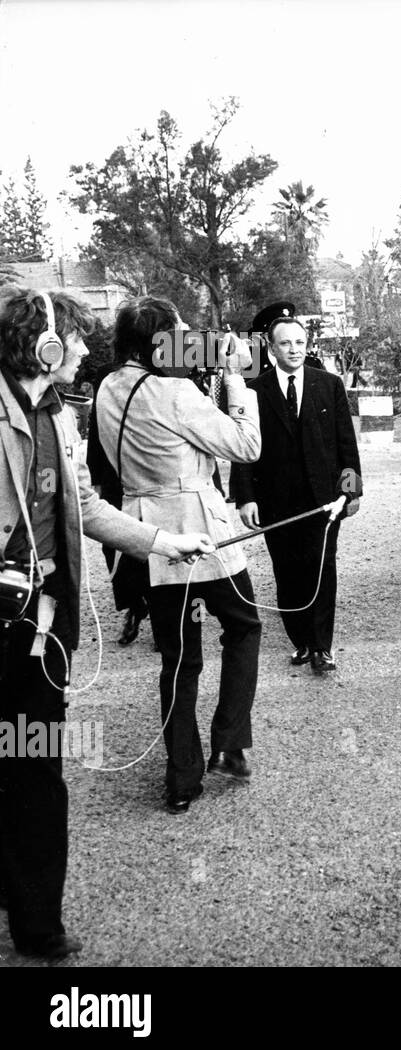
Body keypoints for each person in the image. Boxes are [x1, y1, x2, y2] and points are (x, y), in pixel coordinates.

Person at [0, 288, 213, 958]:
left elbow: (87, 505)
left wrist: (160, 542)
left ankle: (36, 920)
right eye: (77, 339)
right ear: (44, 344)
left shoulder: (62, 417)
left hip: (40, 628)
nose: (88, 351)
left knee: (32, 760)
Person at [94, 296, 264, 813]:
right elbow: (247, 444)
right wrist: (234, 377)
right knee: (245, 625)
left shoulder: (107, 386)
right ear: (158, 342)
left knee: (178, 658)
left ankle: (181, 778)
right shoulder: (174, 391)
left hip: (146, 537)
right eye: (180, 333)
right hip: (199, 533)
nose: (189, 340)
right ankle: (230, 743)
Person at [230, 306, 362, 675]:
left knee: (321, 567)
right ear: (271, 349)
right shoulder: (255, 391)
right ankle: (301, 641)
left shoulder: (329, 385)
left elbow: (346, 443)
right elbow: (243, 450)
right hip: (275, 500)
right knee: (286, 571)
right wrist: (246, 497)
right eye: (285, 343)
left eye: (300, 342)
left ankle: (322, 646)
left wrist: (351, 492)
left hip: (324, 501)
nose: (294, 349)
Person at [85, 364, 153, 647]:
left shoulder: (157, 373)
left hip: (149, 473)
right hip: (114, 476)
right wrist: (96, 477)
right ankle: (133, 607)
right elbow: (96, 427)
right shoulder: (107, 374)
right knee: (114, 545)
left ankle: (162, 618)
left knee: (153, 545)